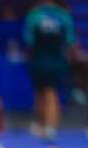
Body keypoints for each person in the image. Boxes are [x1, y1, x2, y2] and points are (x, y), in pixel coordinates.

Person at [22, 1, 75, 140]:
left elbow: (28, 41)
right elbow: (70, 41)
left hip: (39, 59)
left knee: (40, 92)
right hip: (56, 60)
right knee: (51, 92)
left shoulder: (34, 14)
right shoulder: (63, 15)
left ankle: (42, 126)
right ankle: (49, 128)